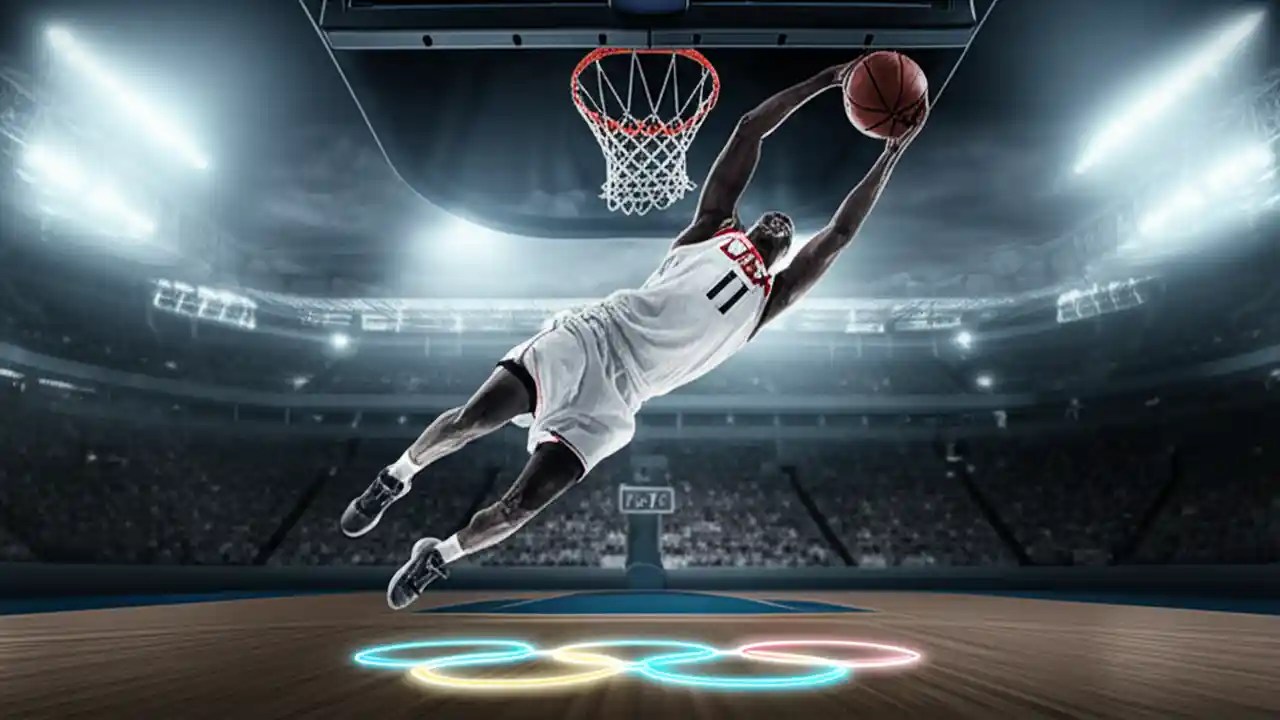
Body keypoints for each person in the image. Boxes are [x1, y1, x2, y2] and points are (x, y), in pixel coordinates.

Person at [340, 59, 928, 610]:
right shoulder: (710, 230)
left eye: (789, 228)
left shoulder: (770, 301)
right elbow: (751, 129)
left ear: (784, 255)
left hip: (615, 404)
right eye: (771, 216)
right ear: (748, 224)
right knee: (473, 420)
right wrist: (826, 80)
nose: (780, 222)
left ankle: (438, 554)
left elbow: (842, 231)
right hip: (590, 339)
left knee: (521, 506)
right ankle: (397, 477)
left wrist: (893, 153)